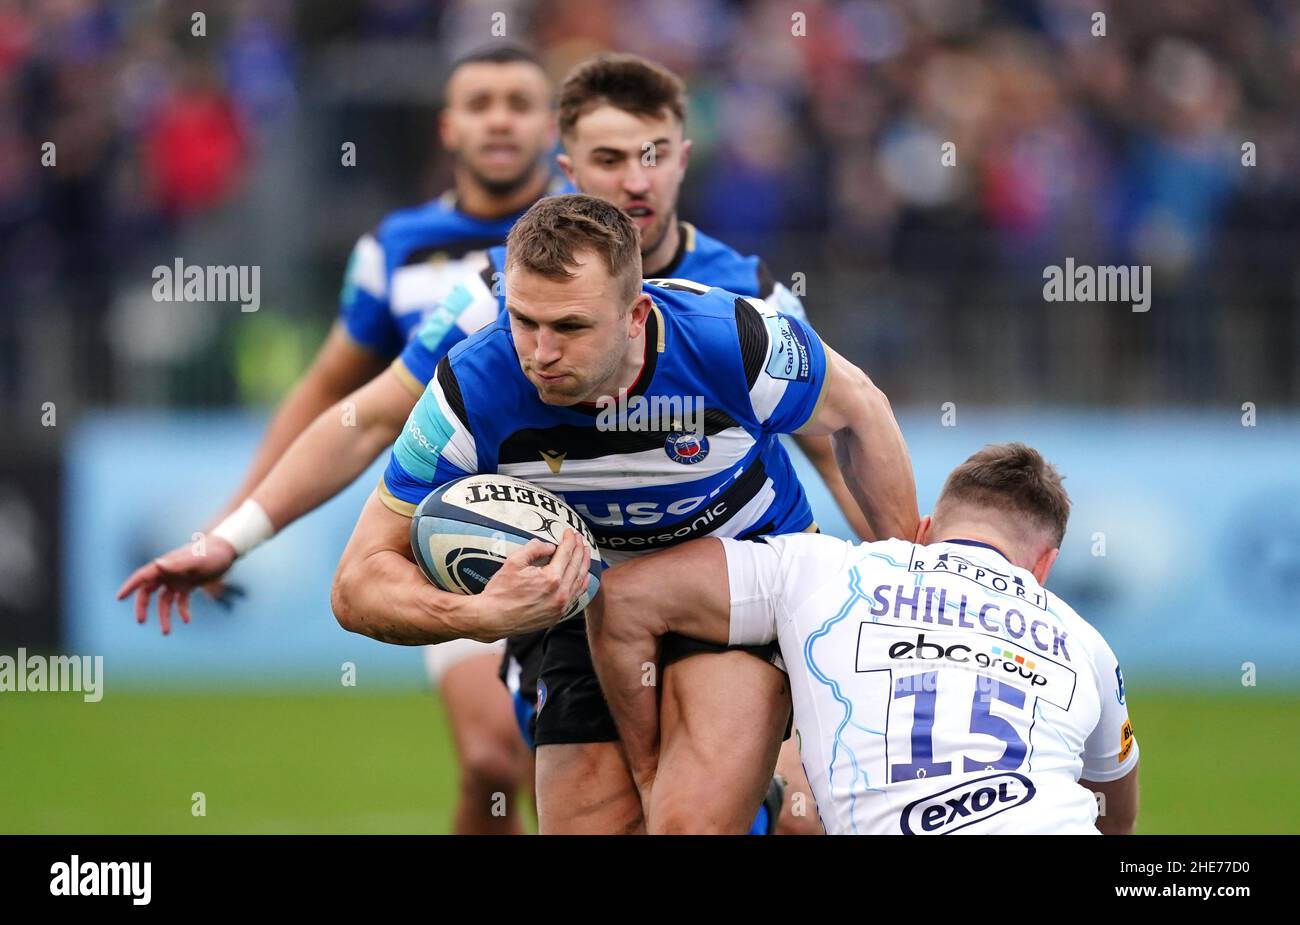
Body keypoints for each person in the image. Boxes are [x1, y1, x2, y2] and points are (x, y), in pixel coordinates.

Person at [122, 53, 872, 833]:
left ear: (684, 158)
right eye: (610, 159)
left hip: (730, 575)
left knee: (743, 817)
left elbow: (837, 439)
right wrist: (234, 533)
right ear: (568, 165)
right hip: (571, 597)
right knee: (514, 771)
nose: (636, 181)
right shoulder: (490, 305)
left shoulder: (747, 299)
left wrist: (902, 581)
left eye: (653, 155)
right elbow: (367, 418)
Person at [330, 194, 919, 833]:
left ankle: (759, 805)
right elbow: (356, 584)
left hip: (738, 584)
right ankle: (768, 804)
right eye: (524, 321)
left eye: (571, 327)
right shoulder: (471, 388)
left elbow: (861, 409)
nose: (540, 353)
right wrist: (480, 615)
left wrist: (912, 583)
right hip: (583, 602)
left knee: (684, 825)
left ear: (636, 315)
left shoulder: (734, 340)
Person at [119, 44, 560, 836]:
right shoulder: (394, 249)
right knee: (497, 758)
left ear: (553, 125)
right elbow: (337, 396)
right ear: (449, 127)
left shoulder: (597, 236)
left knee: (583, 780)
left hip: (592, 520)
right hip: (462, 530)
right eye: (481, 101)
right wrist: (236, 523)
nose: (500, 118)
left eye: (520, 102)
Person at [588, 443, 1140, 834]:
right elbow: (1115, 816)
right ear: (1044, 566)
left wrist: (647, 768)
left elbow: (623, 600)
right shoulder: (1085, 641)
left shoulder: (822, 569)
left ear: (923, 531)